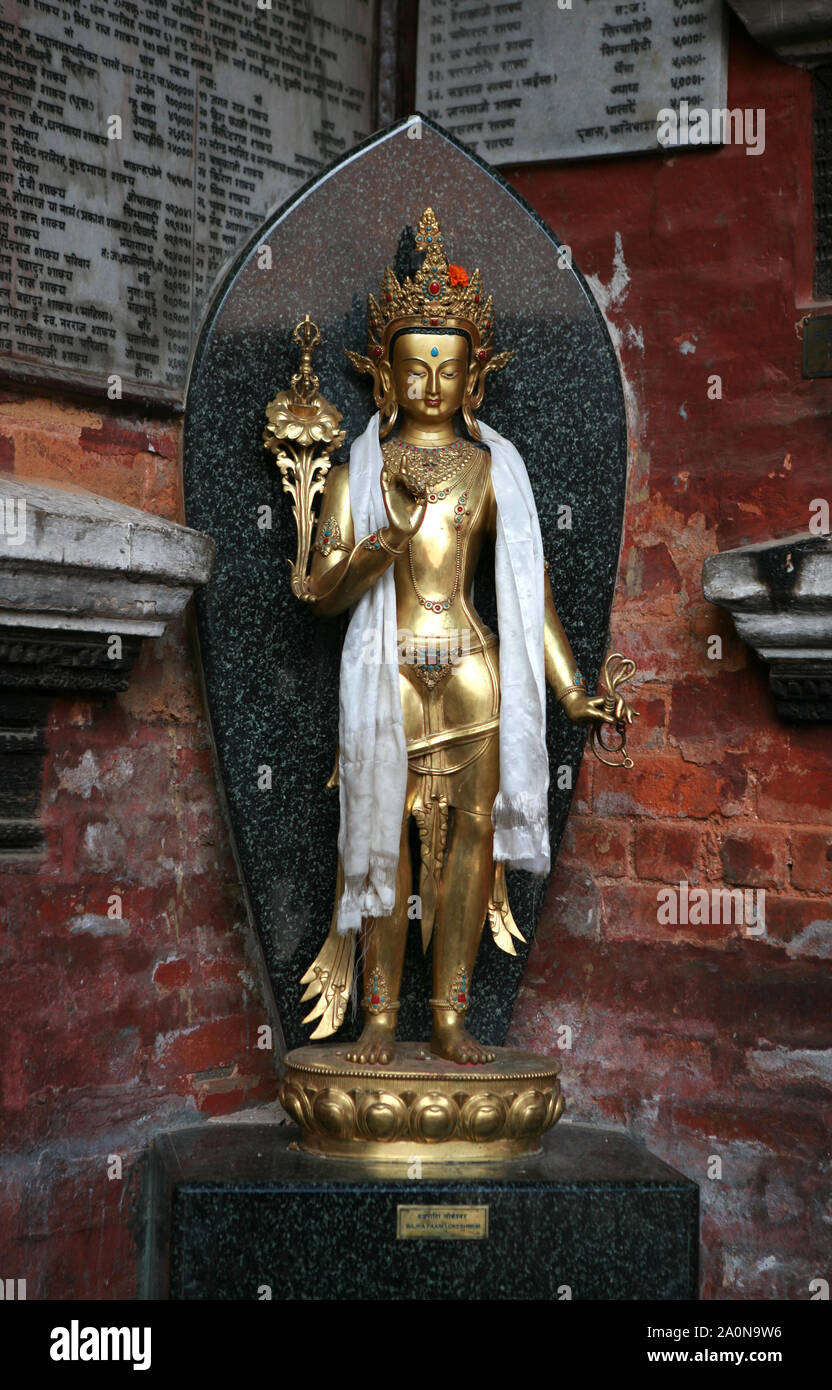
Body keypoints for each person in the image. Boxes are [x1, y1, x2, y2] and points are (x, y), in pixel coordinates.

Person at [298, 208, 632, 1066]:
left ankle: (448, 1017)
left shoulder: (496, 469)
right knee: (383, 834)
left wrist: (570, 690)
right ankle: (380, 1015)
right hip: (389, 674)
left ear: (473, 376)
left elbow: (532, 598)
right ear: (386, 376)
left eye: (448, 368)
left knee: (470, 849)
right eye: (417, 367)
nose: (433, 384)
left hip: (477, 673)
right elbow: (320, 593)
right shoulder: (356, 471)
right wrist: (384, 542)